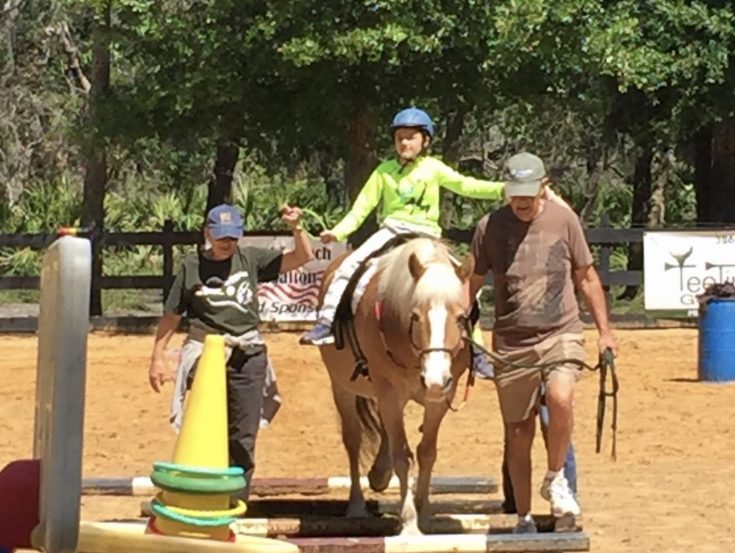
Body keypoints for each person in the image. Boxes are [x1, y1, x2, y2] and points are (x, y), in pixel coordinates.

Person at [469, 152, 618, 533]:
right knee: (519, 433)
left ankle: (555, 477)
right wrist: (458, 322)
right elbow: (473, 281)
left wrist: (605, 332)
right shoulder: (489, 228)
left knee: (560, 397)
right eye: (514, 192)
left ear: (543, 186)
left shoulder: (564, 220)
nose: (521, 201)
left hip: (560, 331)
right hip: (512, 341)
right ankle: (523, 516)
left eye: (528, 192)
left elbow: (586, 277)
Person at [299, 106, 506, 346]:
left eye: (411, 137)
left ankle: (475, 347)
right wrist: (338, 232)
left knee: (466, 284)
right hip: (392, 231)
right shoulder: (383, 171)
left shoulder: (434, 168)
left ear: (425, 141)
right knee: (348, 266)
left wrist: (502, 190)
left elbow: (466, 185)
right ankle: (326, 323)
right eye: (400, 138)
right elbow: (361, 208)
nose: (405, 143)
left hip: (427, 234)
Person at [148, 203, 312, 493]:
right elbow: (172, 315)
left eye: (232, 236)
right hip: (205, 351)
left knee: (243, 434)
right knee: (205, 425)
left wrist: (296, 228)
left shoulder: (251, 259)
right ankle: (201, 490)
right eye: (221, 235)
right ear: (207, 233)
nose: (227, 242)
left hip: (247, 351)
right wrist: (157, 357)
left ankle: (237, 498)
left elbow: (302, 257)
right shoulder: (191, 267)